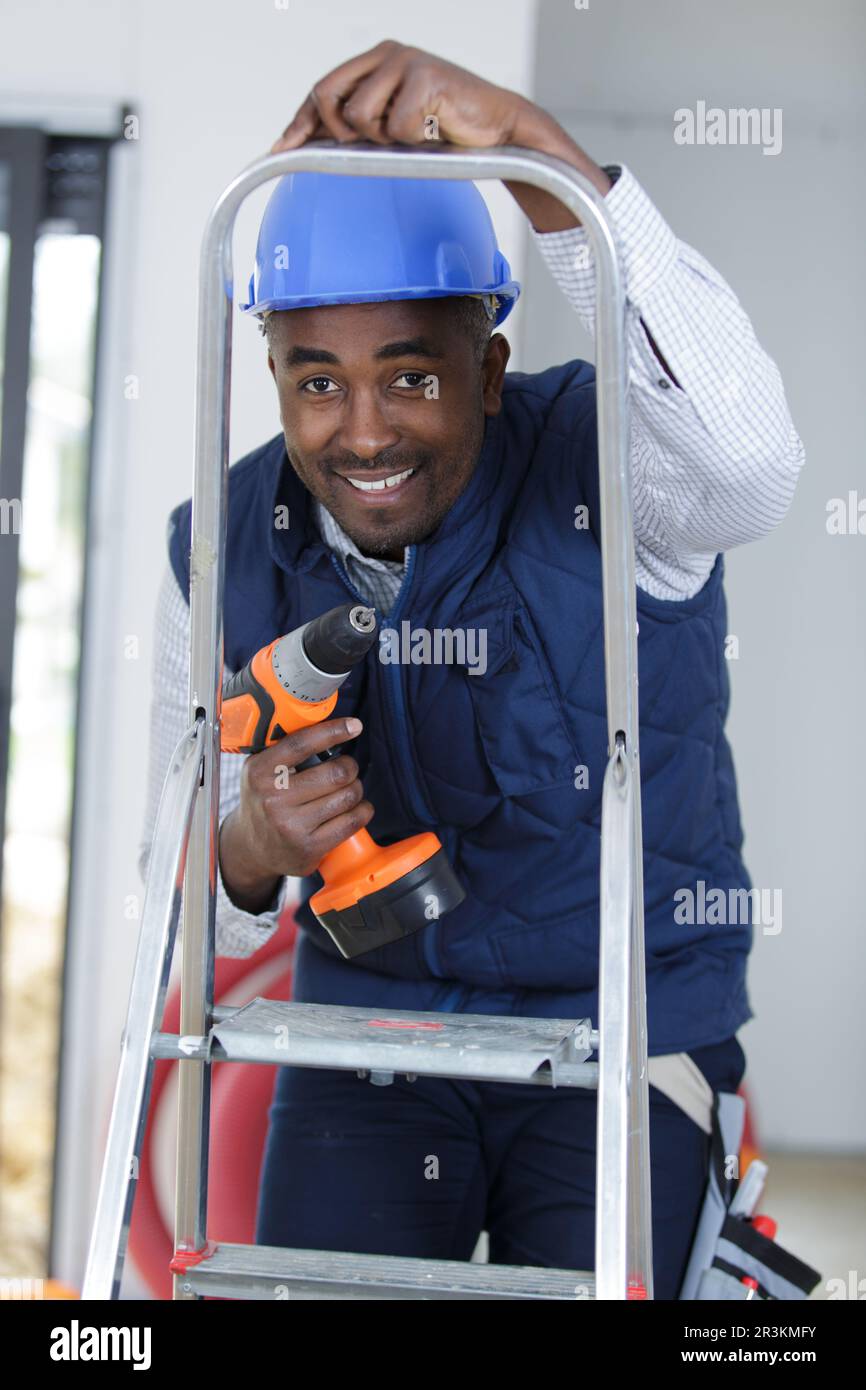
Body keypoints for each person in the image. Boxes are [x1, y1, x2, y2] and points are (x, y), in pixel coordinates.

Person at [140, 42, 804, 1298]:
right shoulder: (225, 546)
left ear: (488, 372)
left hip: (628, 1027)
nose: (366, 429)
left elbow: (752, 470)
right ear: (274, 379)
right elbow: (171, 877)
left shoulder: (606, 472)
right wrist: (249, 845)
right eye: (318, 382)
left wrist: (540, 161)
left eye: (412, 375)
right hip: (372, 1039)